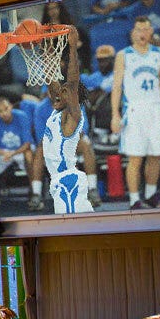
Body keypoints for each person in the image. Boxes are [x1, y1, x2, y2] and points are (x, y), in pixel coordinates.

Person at [111, 16, 160, 209]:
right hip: (134, 110)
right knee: (135, 157)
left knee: (156, 155)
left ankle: (151, 194)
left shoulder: (159, 53)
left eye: (146, 29)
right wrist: (115, 114)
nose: (142, 33)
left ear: (151, 32)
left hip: (155, 108)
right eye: (139, 29)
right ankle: (134, 199)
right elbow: (116, 87)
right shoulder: (124, 55)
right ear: (133, 33)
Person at [41, 26, 93, 214]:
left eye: (63, 93)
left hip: (67, 184)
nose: (57, 95)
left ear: (72, 98)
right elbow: (51, 79)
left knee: (74, 234)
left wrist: (72, 48)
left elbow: (71, 83)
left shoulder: (72, 116)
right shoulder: (57, 112)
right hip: (62, 182)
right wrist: (47, 49)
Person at [0, 97, 34, 210]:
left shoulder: (22, 116)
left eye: (6, 109)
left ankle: (34, 191)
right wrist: (3, 152)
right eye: (0, 111)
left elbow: (27, 144)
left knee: (29, 154)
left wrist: (12, 154)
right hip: (2, 151)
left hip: (20, 150)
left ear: (11, 107)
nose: (4, 113)